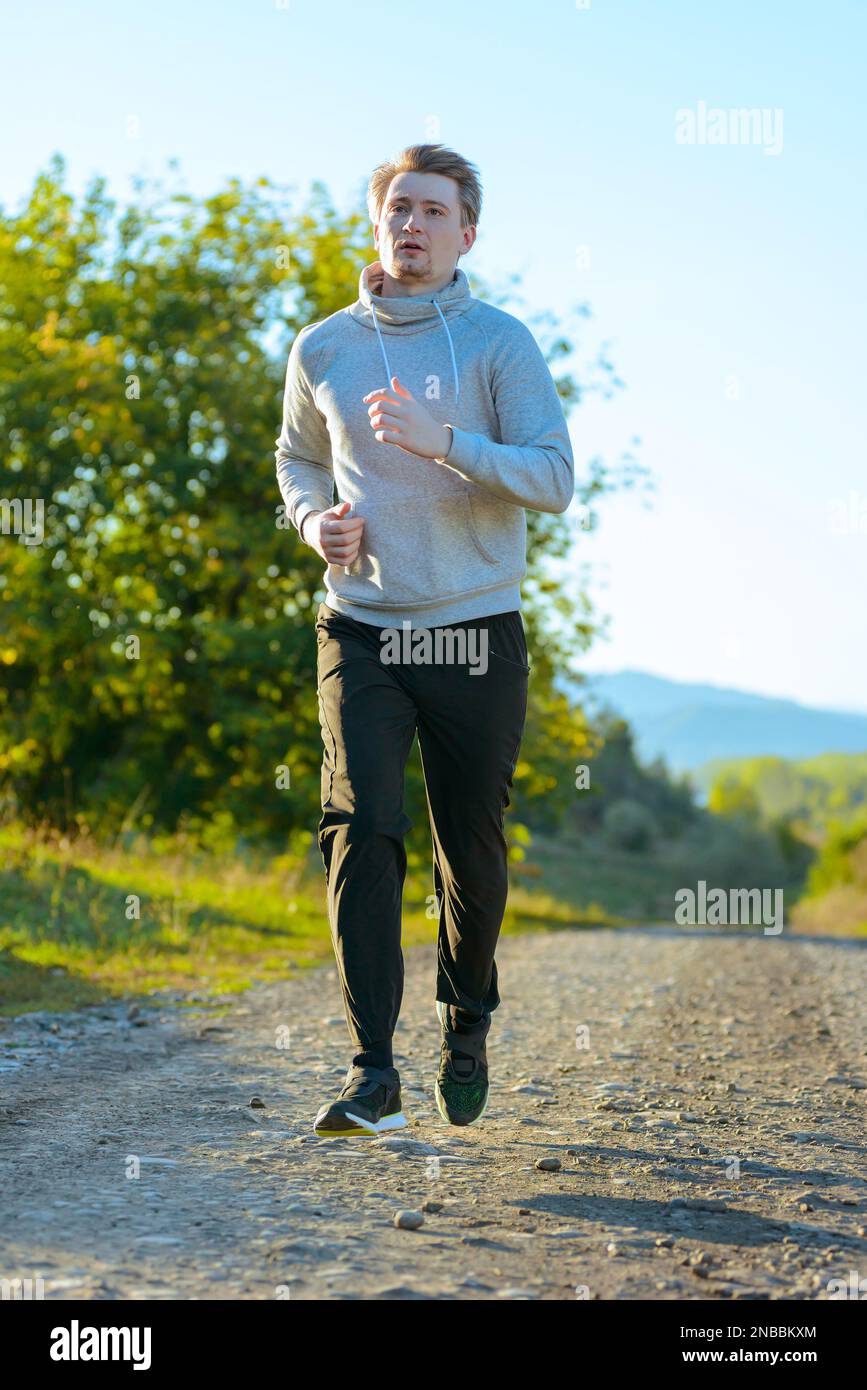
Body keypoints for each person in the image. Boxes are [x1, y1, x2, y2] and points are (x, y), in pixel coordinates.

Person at [275, 144, 574, 1137]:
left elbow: (553, 477)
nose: (412, 223)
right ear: (376, 224)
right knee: (361, 827)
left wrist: (443, 442)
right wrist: (314, 522)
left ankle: (467, 1020)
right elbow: (297, 458)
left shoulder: (499, 343)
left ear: (466, 234)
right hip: (360, 626)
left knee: (470, 846)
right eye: (397, 207)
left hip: (475, 627)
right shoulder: (322, 347)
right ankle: (373, 1069)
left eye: (432, 211)